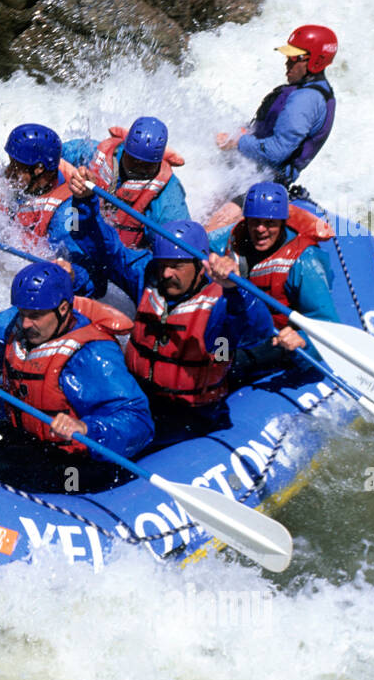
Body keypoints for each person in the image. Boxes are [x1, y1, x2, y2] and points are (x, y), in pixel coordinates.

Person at [0, 261, 153, 493]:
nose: (25, 323)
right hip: (27, 439)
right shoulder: (18, 326)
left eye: (35, 316)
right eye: (22, 314)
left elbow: (138, 421)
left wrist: (85, 427)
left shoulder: (93, 355)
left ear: (62, 309)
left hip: (75, 464)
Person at [74, 201, 279, 439]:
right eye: (163, 264)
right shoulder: (148, 276)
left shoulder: (221, 303)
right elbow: (108, 250)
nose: (167, 273)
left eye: (177, 266)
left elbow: (258, 329)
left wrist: (235, 289)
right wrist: (85, 203)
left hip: (190, 412)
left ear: (200, 265)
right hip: (137, 394)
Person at [206, 181, 335, 378]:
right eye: (254, 222)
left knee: (229, 364)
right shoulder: (235, 236)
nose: (260, 229)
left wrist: (302, 341)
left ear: (282, 222)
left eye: (270, 223)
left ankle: (221, 374)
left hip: (274, 339)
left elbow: (328, 327)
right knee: (214, 352)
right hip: (236, 328)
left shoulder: (304, 261)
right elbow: (203, 245)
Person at [216, 25, 338, 187]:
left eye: (294, 58)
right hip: (251, 174)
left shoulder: (306, 99)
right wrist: (243, 133)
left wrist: (237, 142)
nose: (287, 63)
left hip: (264, 184)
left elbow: (276, 152)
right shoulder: (305, 91)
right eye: (288, 57)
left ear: (316, 60)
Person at [0, 123, 103, 297]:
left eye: (15, 166)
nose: (7, 172)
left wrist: (72, 276)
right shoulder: (27, 180)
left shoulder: (65, 214)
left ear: (39, 169)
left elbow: (90, 279)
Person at [70, 116, 191, 249]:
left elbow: (175, 244)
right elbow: (57, 154)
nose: (138, 168)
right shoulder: (100, 153)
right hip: (84, 232)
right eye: (133, 161)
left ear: (157, 162)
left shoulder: (168, 195)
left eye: (146, 165)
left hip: (123, 254)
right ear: (125, 151)